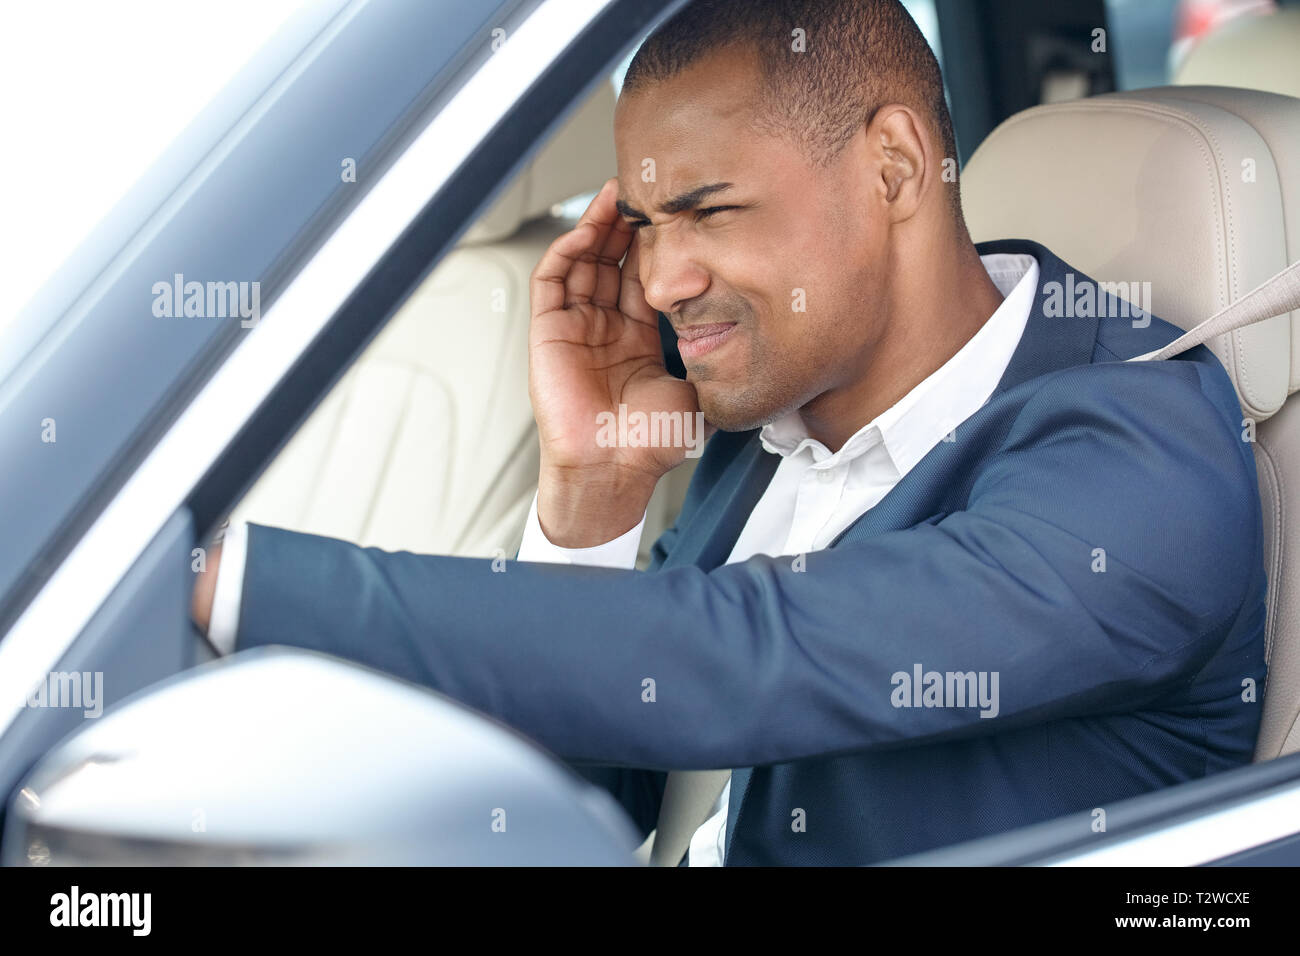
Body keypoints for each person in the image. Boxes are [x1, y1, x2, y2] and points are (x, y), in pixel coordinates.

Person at [191, 0, 1267, 866]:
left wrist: (217, 581)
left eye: (709, 211)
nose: (659, 280)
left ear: (892, 167)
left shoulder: (1140, 465)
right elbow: (578, 799)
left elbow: (743, 653)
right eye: (646, 226)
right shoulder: (766, 426)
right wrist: (593, 496)